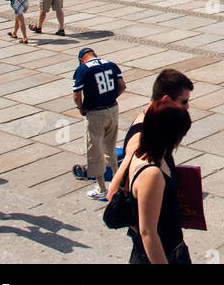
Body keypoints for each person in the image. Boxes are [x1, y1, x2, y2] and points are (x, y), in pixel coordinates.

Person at [125, 100, 192, 264]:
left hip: (173, 249)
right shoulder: (152, 174)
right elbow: (148, 232)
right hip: (162, 256)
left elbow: (114, 192)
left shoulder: (144, 153)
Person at [109, 68, 194, 187]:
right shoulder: (141, 137)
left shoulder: (154, 122)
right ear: (166, 100)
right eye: (184, 102)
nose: (188, 106)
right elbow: (116, 186)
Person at [72, 46, 126, 199]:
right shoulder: (111, 64)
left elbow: (76, 96)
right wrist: (111, 98)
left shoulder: (83, 69)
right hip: (113, 109)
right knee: (111, 148)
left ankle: (102, 188)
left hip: (95, 113)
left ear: (81, 59)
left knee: (95, 150)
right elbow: (122, 86)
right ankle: (119, 184)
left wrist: (81, 108)